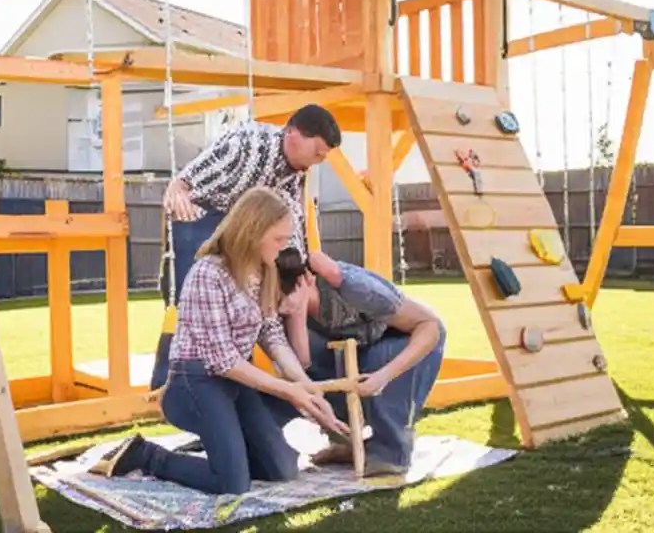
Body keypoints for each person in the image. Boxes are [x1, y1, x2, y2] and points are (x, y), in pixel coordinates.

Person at [96, 188, 348, 494]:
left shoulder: (264, 269)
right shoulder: (208, 273)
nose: (283, 248)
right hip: (196, 382)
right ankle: (145, 455)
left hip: (237, 384)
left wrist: (307, 387)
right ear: (253, 231)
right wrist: (291, 391)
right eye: (278, 239)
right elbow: (222, 361)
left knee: (282, 469)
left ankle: (232, 452)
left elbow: (269, 332)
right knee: (232, 483)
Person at [150, 104, 342, 389]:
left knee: (252, 288)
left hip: (238, 226)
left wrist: (298, 269)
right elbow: (188, 178)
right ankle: (168, 377)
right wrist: (177, 189)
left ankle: (241, 366)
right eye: (316, 152)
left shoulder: (294, 173)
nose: (317, 161)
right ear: (293, 135)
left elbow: (292, 220)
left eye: (323, 156)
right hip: (201, 213)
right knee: (189, 290)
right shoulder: (246, 144)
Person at [276, 249, 446, 477]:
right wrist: (295, 313)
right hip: (357, 344)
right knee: (318, 364)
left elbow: (429, 326)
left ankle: (391, 452)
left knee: (377, 361)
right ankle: (348, 442)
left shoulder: (354, 287)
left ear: (306, 280)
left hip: (408, 339)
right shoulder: (284, 305)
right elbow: (303, 364)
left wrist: (382, 377)